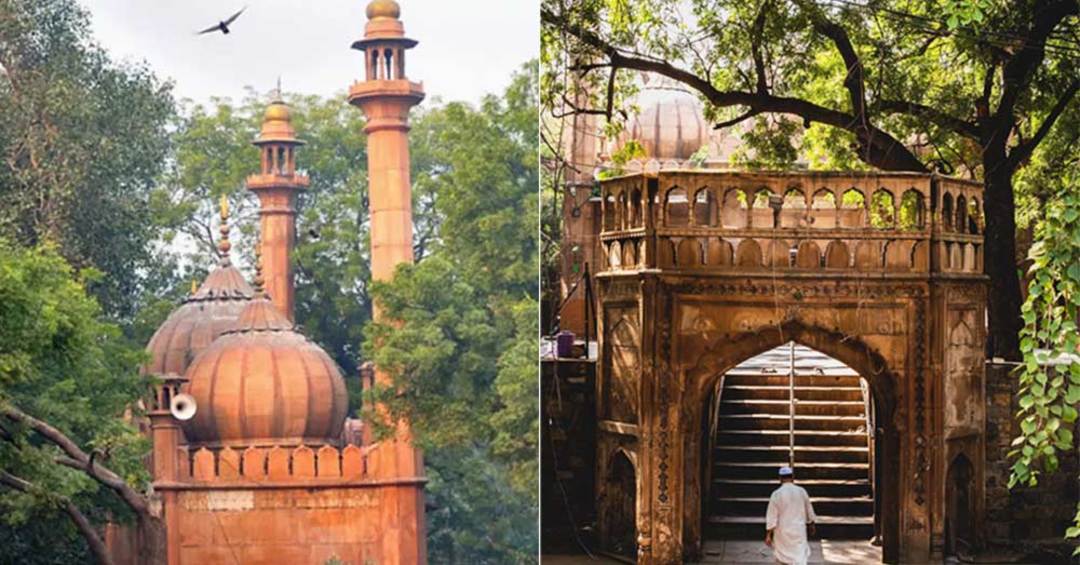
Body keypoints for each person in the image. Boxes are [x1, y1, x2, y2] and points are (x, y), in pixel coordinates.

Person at [765, 466, 817, 565]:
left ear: (780, 478)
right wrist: (812, 524)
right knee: (799, 556)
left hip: (782, 532)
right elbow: (809, 509)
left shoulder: (776, 494)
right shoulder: (801, 491)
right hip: (798, 530)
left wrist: (768, 534)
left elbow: (772, 516)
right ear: (792, 477)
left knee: (782, 558)